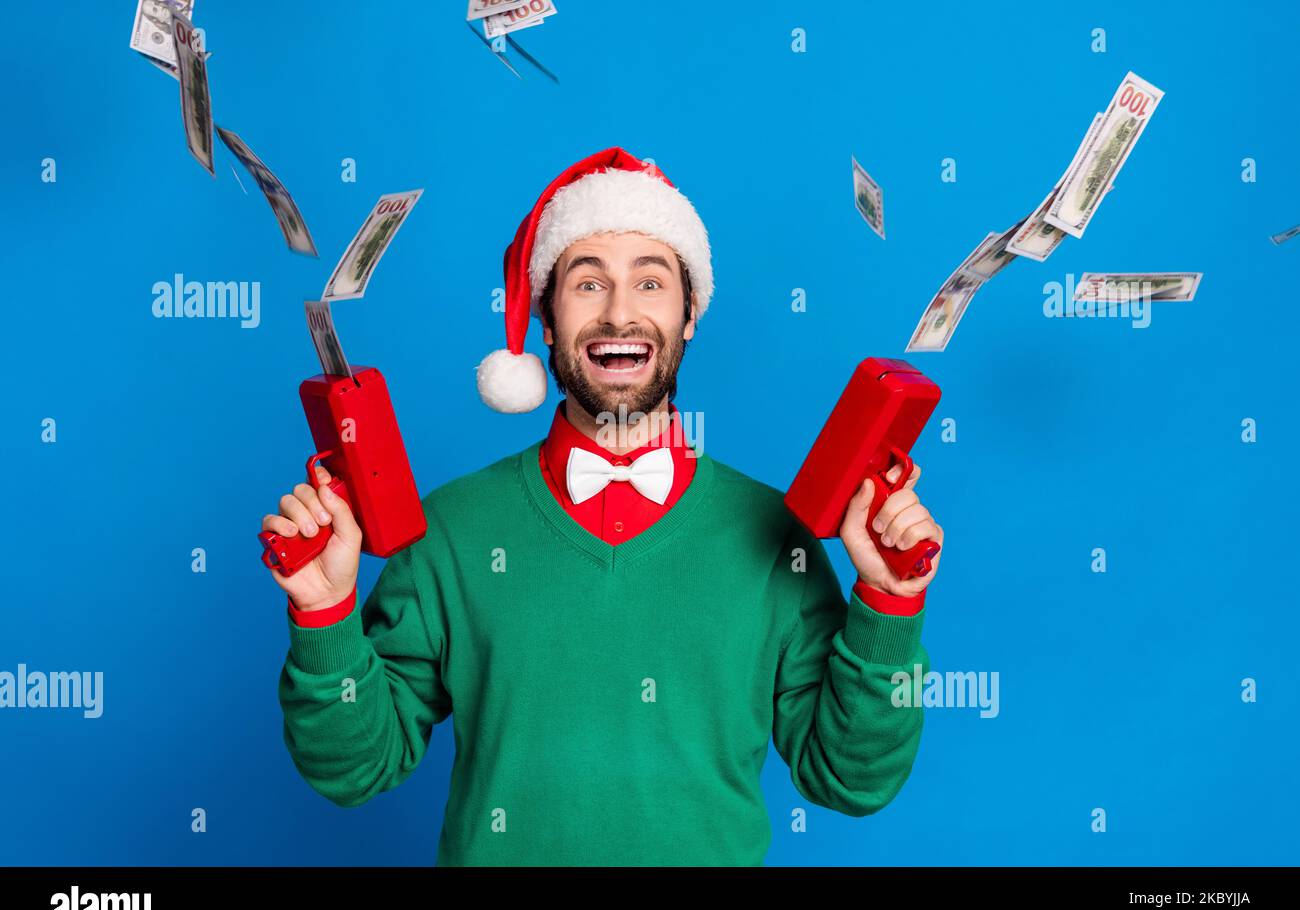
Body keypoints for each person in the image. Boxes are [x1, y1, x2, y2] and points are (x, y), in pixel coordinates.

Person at [265, 147, 943, 866]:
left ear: (690, 317)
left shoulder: (782, 539)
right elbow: (354, 770)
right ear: (546, 323)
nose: (620, 312)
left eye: (651, 283)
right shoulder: (452, 530)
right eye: (588, 284)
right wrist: (325, 611)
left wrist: (890, 605)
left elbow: (850, 778)